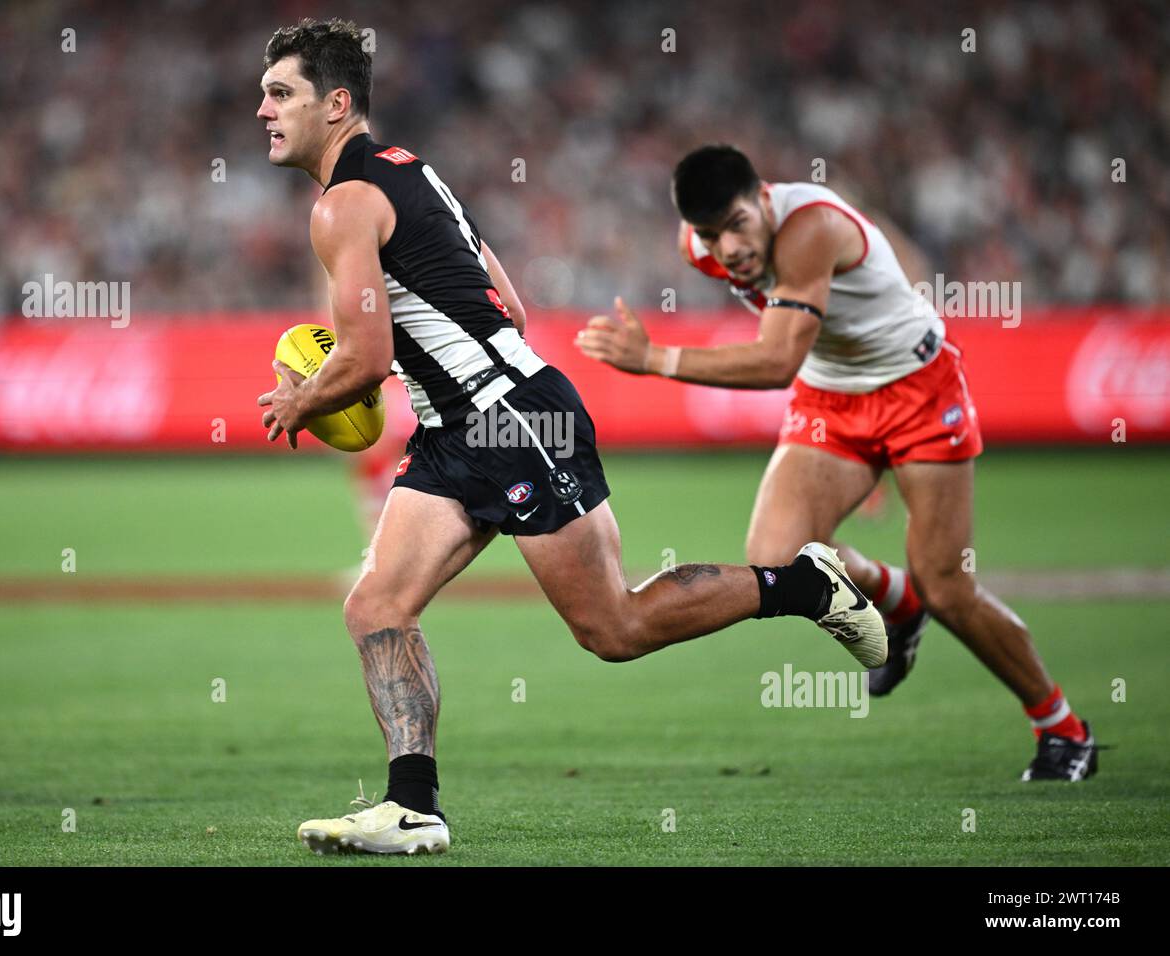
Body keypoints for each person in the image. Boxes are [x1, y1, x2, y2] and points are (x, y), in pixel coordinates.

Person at [253, 21, 888, 855]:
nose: (261, 110)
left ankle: (801, 586)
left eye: (280, 93)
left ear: (336, 105)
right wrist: (432, 370)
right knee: (376, 604)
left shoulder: (341, 206)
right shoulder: (414, 176)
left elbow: (367, 356)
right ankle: (413, 806)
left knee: (612, 629)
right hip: (460, 427)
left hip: (514, 420)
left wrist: (305, 400)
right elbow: (508, 309)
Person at [576, 144, 1097, 783]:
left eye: (738, 225)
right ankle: (901, 602)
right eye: (712, 235)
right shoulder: (702, 243)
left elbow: (775, 362)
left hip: (918, 390)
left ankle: (1063, 728)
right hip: (831, 400)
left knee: (951, 589)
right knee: (780, 560)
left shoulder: (810, 227)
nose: (728, 247)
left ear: (764, 198)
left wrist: (656, 360)